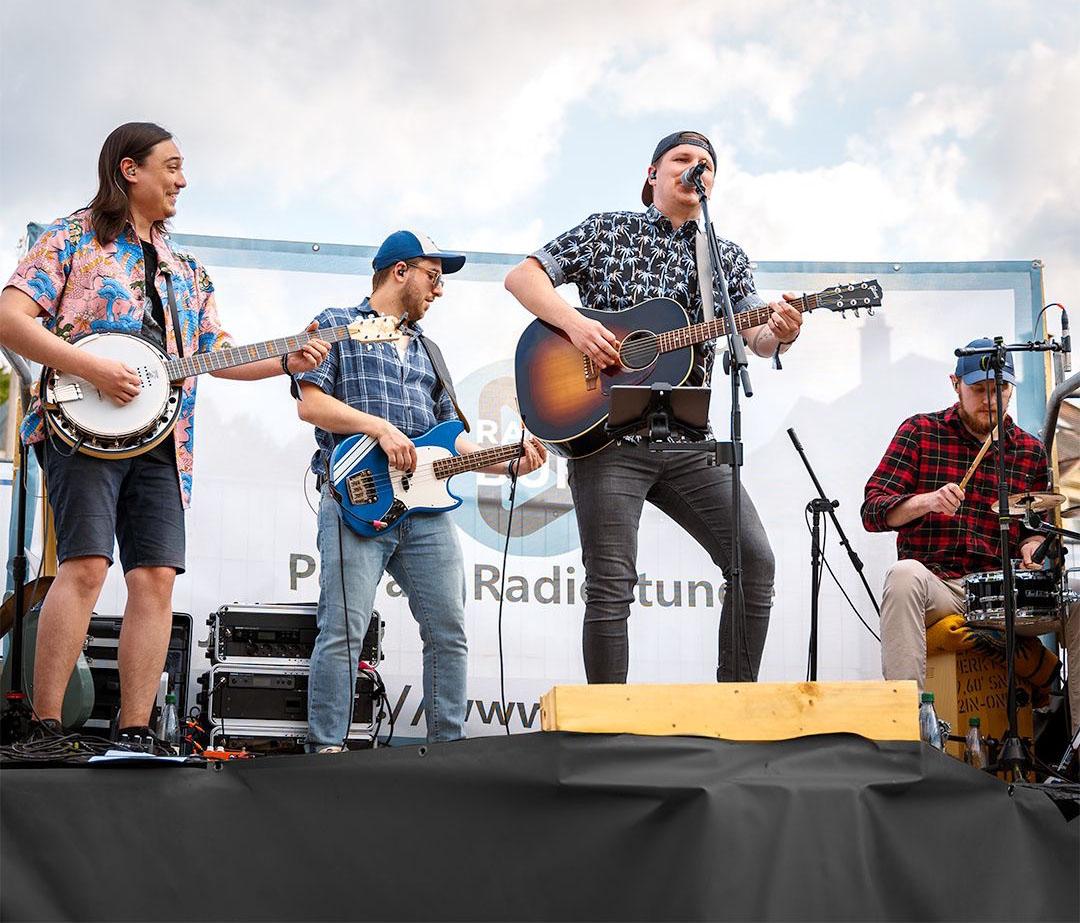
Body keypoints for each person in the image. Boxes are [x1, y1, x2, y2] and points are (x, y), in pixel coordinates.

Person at [0, 122, 329, 744]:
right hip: (80, 435)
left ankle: (135, 732)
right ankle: (43, 723)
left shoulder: (189, 273)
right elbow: (9, 318)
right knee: (87, 565)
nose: (183, 180)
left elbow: (216, 354)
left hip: (164, 442)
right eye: (172, 166)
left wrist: (288, 357)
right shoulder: (71, 238)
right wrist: (88, 365)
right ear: (130, 170)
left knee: (155, 577)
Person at [504, 130, 803, 684]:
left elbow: (753, 338)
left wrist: (782, 332)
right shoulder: (607, 230)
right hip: (607, 438)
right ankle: (607, 730)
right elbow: (522, 276)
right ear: (653, 173)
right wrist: (576, 324)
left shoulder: (723, 256)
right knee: (612, 583)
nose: (696, 169)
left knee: (754, 562)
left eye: (706, 164)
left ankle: (734, 708)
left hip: (690, 439)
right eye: (682, 159)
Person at [296, 229, 546, 751]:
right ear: (400, 271)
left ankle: (446, 751)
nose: (439, 290)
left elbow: (447, 446)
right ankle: (326, 751)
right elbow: (311, 405)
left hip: (425, 511)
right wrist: (379, 429)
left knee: (448, 631)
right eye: (433, 276)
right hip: (354, 500)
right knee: (344, 630)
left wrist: (507, 463)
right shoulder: (337, 323)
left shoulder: (430, 351)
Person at [862, 339, 1079, 734]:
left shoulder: (1028, 451)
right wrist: (925, 501)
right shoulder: (920, 431)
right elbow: (873, 511)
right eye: (979, 390)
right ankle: (908, 730)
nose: (990, 400)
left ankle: (1077, 742)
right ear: (955, 384)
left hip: (1003, 590)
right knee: (904, 576)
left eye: (1000, 390)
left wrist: (1032, 547)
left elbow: (1035, 532)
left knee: (1078, 602)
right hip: (941, 588)